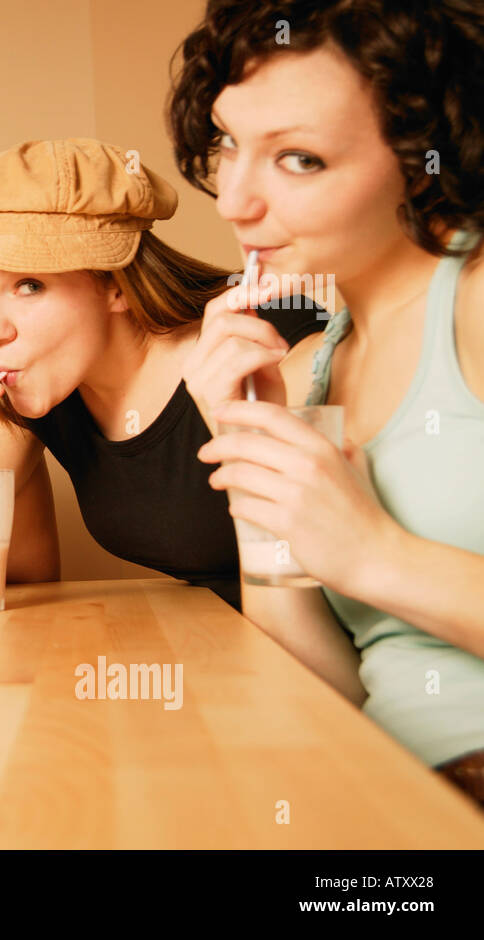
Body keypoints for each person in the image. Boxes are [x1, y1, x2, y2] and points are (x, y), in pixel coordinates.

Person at [171, 0, 484, 805]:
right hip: (380, 784)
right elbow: (327, 691)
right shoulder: (315, 363)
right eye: (230, 143)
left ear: (424, 159)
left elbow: (367, 560)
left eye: (299, 159)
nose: (234, 202)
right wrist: (251, 470)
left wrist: (374, 552)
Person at [0, 138, 325, 609]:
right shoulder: (47, 384)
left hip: (326, 661)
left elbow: (340, 544)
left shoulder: (258, 340)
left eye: (29, 286)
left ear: (116, 285)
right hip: (216, 653)